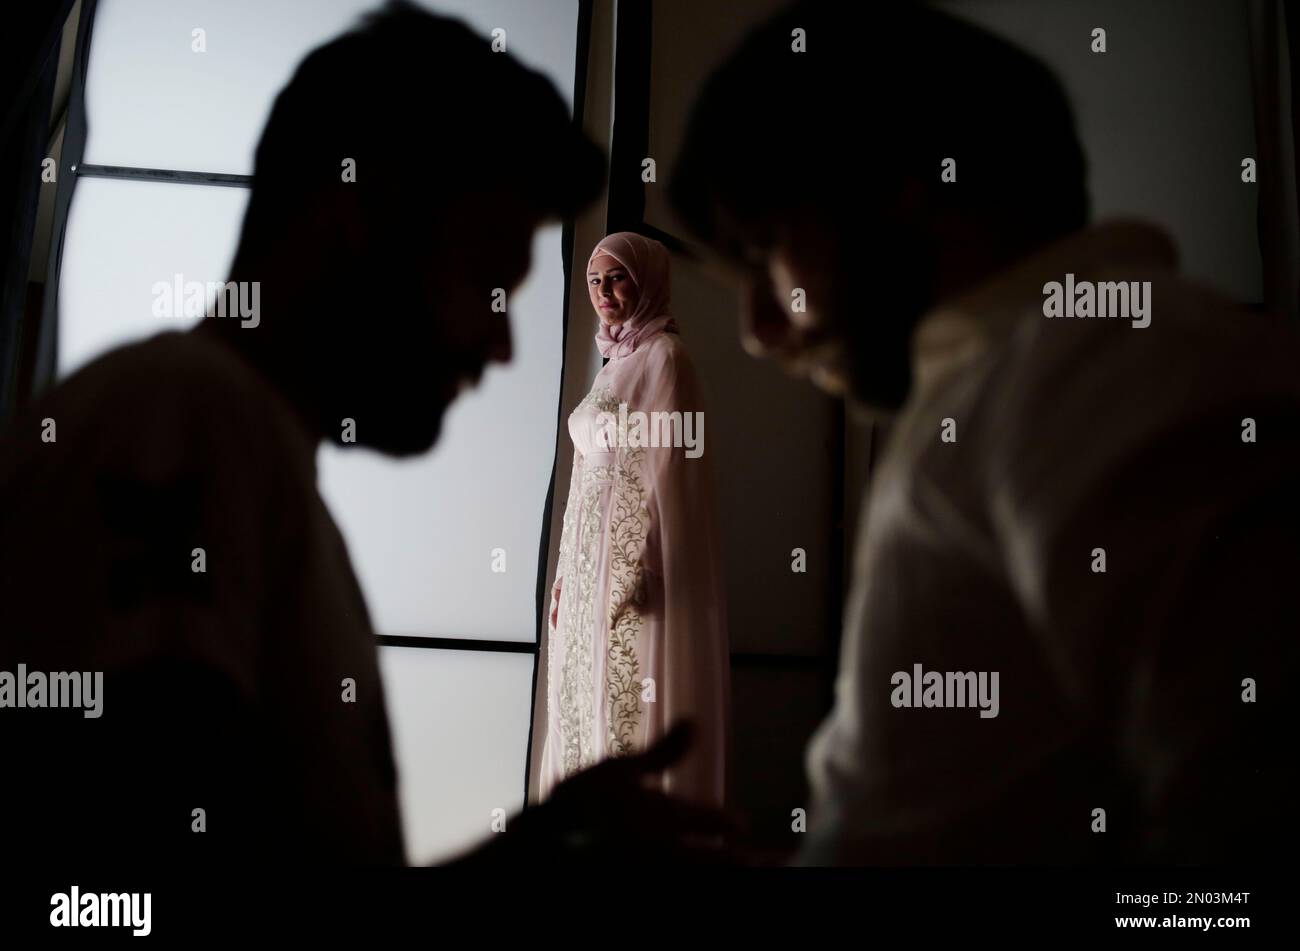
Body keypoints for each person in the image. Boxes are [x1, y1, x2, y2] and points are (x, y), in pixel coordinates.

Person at [0, 1, 728, 868]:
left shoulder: (242, 455)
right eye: (486, 280)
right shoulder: (180, 426)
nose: (500, 347)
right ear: (358, 224)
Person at [669, 1, 1299, 864]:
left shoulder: (1099, 362)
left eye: (768, 245)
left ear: (912, 191)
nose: (758, 329)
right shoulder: (1025, 378)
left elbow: (1243, 844)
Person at [539, 232, 729, 808]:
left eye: (616, 278)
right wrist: (568, 572)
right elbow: (587, 476)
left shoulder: (665, 359)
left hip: (631, 569)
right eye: (595, 281)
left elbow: (669, 472)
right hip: (585, 561)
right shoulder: (611, 364)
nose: (603, 292)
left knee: (625, 701)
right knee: (579, 696)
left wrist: (636, 566)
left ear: (646, 281)